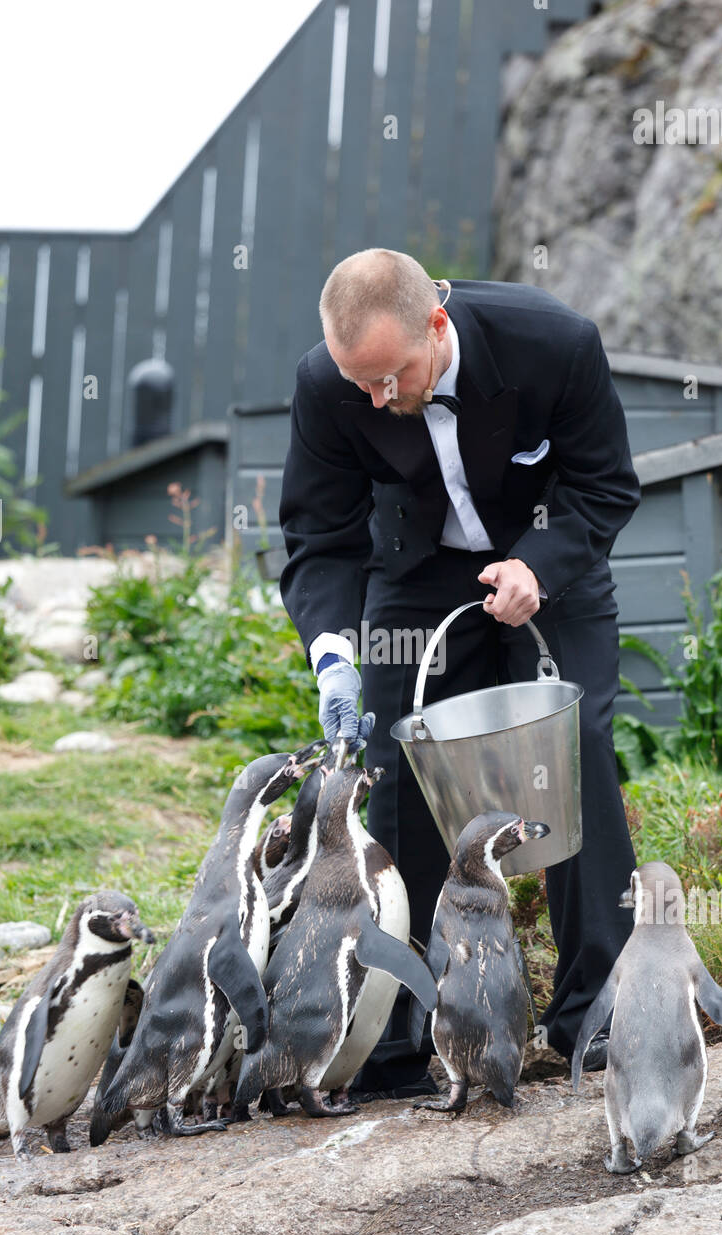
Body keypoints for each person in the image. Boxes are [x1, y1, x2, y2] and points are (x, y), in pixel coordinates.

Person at [278, 248, 639, 1099]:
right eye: (359, 383)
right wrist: (332, 657)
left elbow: (604, 484)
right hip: (417, 572)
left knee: (576, 749)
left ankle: (596, 1014)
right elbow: (321, 537)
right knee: (400, 765)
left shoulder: (554, 343)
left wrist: (538, 565)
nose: (375, 399)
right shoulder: (327, 384)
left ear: (435, 325)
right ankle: (403, 1037)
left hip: (549, 562)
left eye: (390, 378)